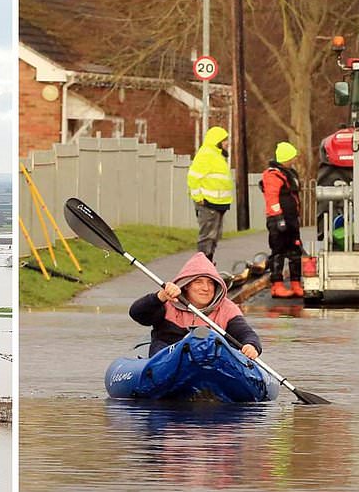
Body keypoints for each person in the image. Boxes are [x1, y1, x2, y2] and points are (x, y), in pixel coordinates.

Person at [128, 251, 260, 361]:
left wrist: (251, 346)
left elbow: (246, 333)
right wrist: (160, 296)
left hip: (212, 363)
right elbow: (137, 314)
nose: (206, 288)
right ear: (186, 285)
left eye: (210, 283)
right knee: (160, 348)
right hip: (168, 361)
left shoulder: (227, 308)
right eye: (199, 282)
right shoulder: (168, 302)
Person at [261, 141, 304, 298]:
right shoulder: (273, 175)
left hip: (291, 220)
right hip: (278, 220)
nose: (293, 160)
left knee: (295, 252)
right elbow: (271, 198)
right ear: (285, 158)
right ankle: (277, 285)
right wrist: (279, 218)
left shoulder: (288, 173)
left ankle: (295, 283)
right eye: (291, 157)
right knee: (278, 251)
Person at [187, 126, 236, 259]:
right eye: (225, 140)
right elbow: (193, 177)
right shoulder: (206, 155)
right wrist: (198, 197)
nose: (227, 143)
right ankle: (203, 267)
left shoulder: (217, 156)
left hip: (218, 204)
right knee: (207, 238)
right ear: (217, 141)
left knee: (213, 237)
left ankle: (208, 265)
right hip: (208, 203)